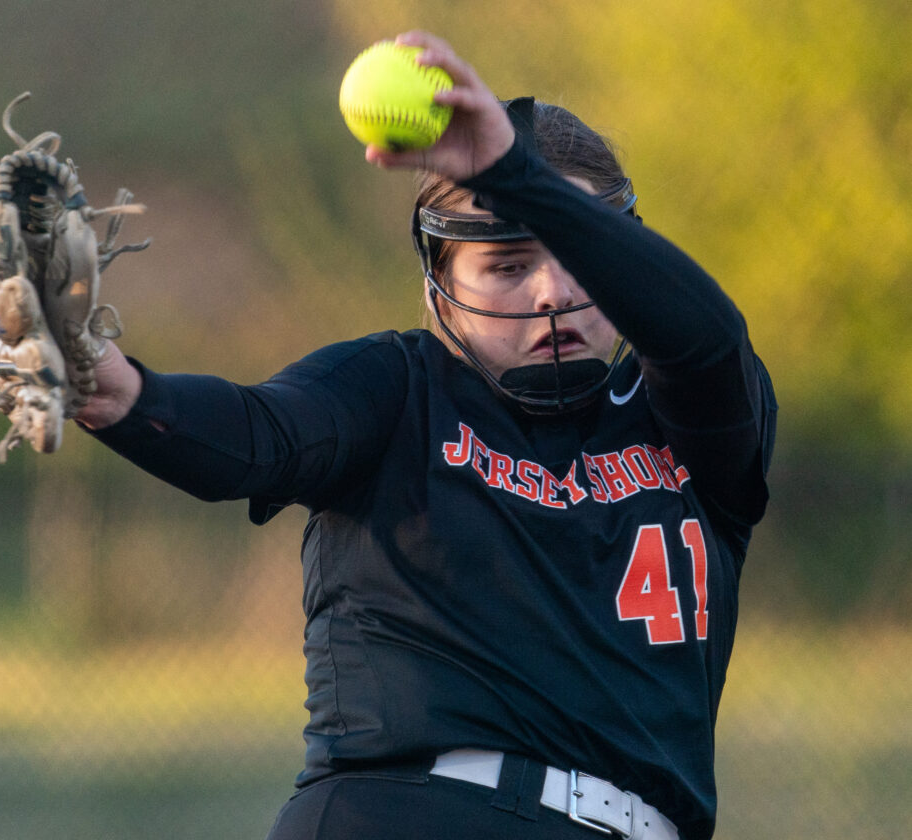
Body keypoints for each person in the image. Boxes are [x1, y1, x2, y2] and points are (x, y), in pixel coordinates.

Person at [78, 31, 776, 840]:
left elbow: (706, 340)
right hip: (404, 814)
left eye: (580, 256)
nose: (551, 291)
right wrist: (118, 391)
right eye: (507, 264)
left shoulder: (684, 417)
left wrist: (512, 173)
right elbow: (258, 435)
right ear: (441, 284)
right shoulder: (397, 387)